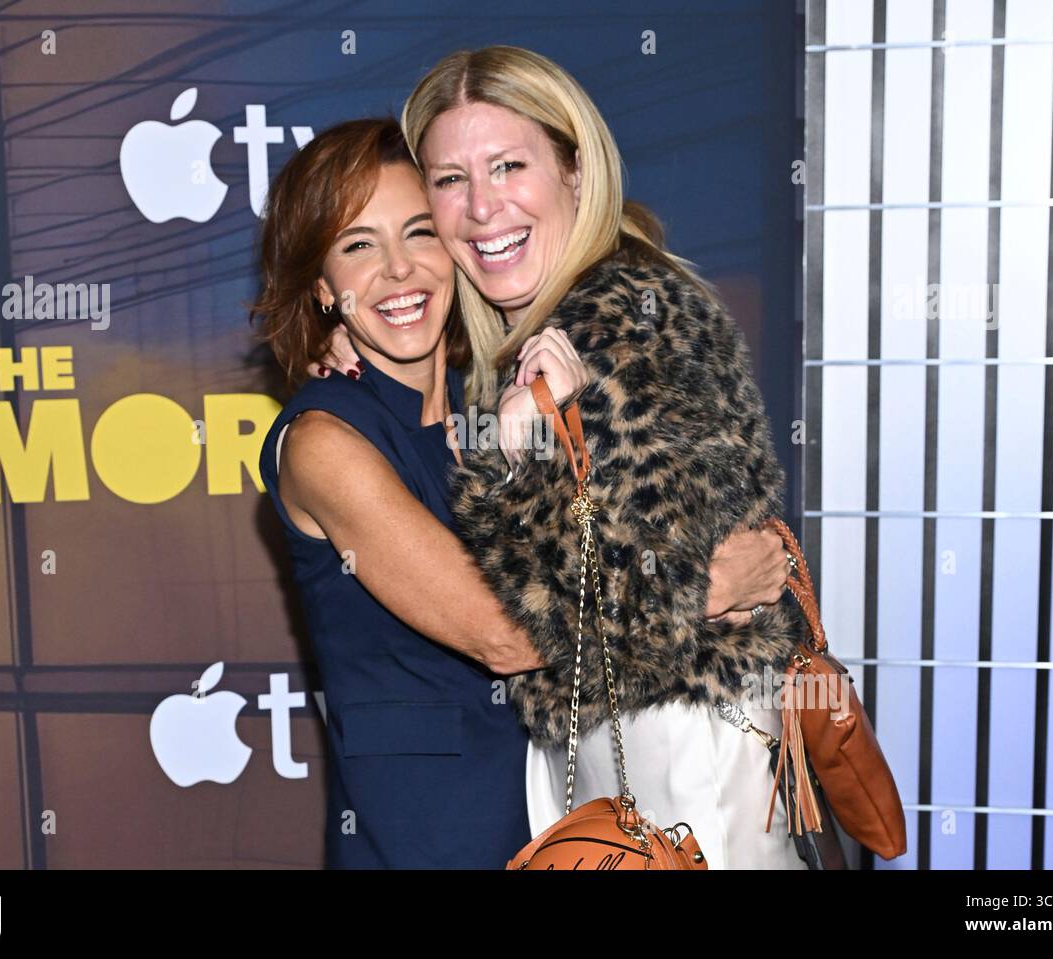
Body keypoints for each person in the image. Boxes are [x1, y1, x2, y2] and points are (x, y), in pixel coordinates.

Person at [317, 46, 810, 867]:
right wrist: (361, 331)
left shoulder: (623, 321)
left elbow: (541, 614)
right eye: (448, 180)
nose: (481, 208)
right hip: (606, 754)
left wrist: (705, 584)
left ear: (576, 173)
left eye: (509, 165)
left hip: (676, 758)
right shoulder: (530, 335)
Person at [252, 117, 585, 868]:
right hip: (421, 848)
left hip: (553, 832)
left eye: (419, 233)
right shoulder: (323, 443)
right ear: (322, 285)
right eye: (358, 246)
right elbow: (507, 632)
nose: (399, 270)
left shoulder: (499, 410)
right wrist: (702, 587)